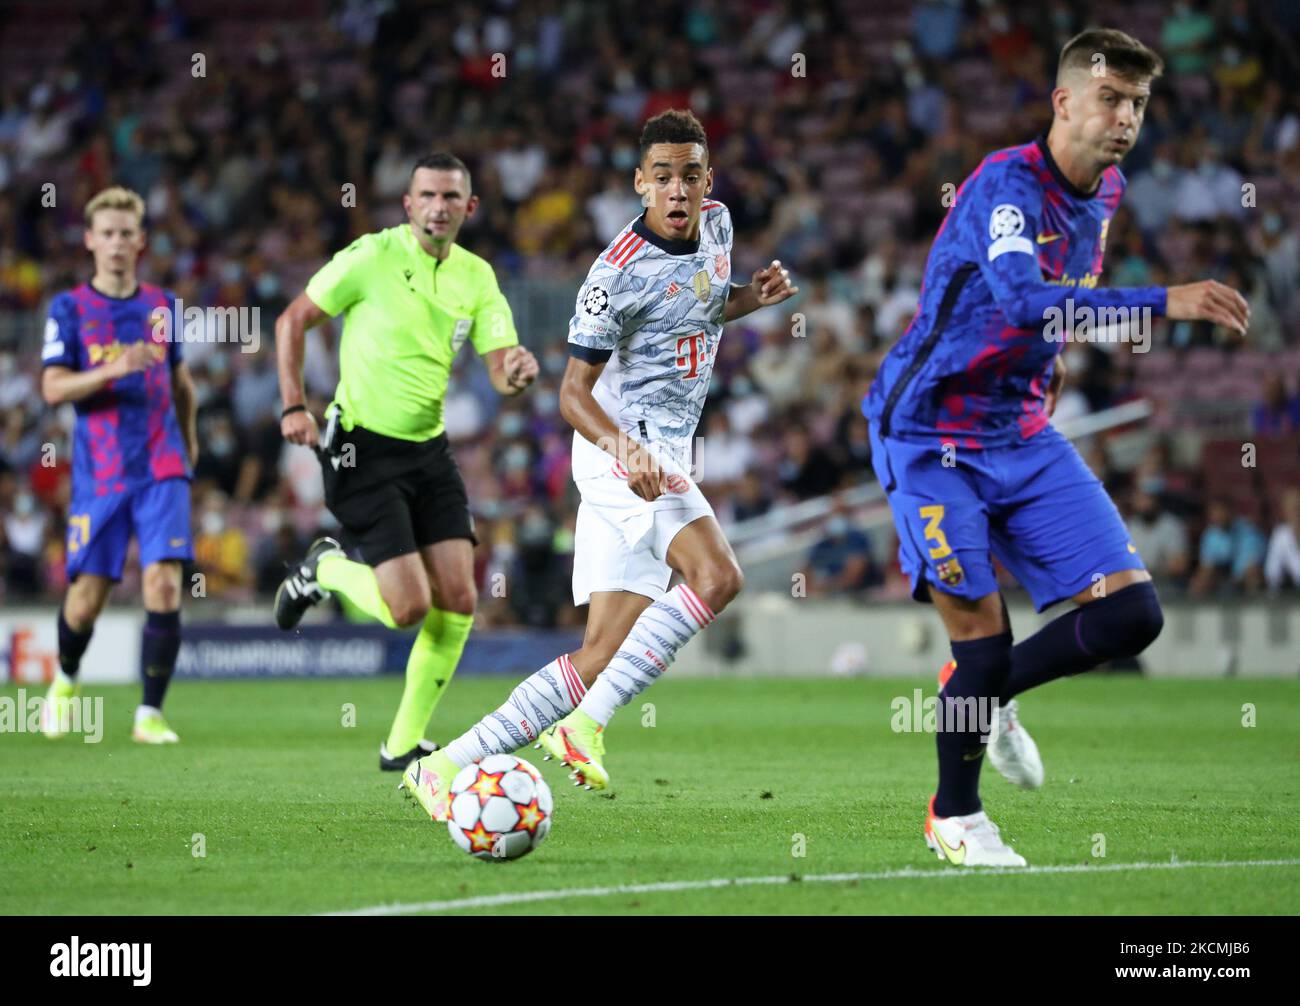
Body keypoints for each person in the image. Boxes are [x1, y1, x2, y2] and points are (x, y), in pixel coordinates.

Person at [863, 29, 1250, 866]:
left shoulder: (1105, 192)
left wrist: (1054, 364)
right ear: (1064, 100)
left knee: (1130, 614)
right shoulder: (1007, 186)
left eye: (1139, 105)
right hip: (929, 433)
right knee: (983, 641)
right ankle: (955, 818)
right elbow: (1022, 299)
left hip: (1022, 429)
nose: (1126, 119)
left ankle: (985, 699)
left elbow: (1054, 310)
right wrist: (1165, 302)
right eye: (1111, 99)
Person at [402, 109, 797, 821]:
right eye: (665, 177)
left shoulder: (720, 227)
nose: (680, 190)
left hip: (663, 453)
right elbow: (571, 395)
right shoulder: (612, 278)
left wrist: (749, 301)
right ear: (640, 184)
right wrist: (628, 452)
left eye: (693, 175)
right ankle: (584, 727)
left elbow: (701, 310)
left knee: (602, 654)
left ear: (709, 180)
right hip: (620, 450)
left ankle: (444, 764)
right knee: (718, 576)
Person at [273, 152, 539, 772]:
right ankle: (325, 570)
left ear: (469, 208)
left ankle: (401, 746)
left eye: (451, 197)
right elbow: (293, 321)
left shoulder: (478, 278)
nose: (439, 207)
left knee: (459, 600)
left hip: (428, 450)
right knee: (407, 608)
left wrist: (516, 374)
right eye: (428, 195)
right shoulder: (372, 257)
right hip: (359, 448)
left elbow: (501, 366)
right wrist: (293, 405)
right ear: (408, 204)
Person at [40, 186, 198, 743]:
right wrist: (114, 370)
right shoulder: (69, 309)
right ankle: (65, 678)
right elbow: (54, 387)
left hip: (161, 464)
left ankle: (149, 715)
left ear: (141, 241)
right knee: (86, 600)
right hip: (101, 474)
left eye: (126, 233)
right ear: (89, 240)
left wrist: (190, 445)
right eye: (106, 233)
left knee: (163, 584)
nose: (116, 243)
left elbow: (181, 383)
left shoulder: (162, 306)